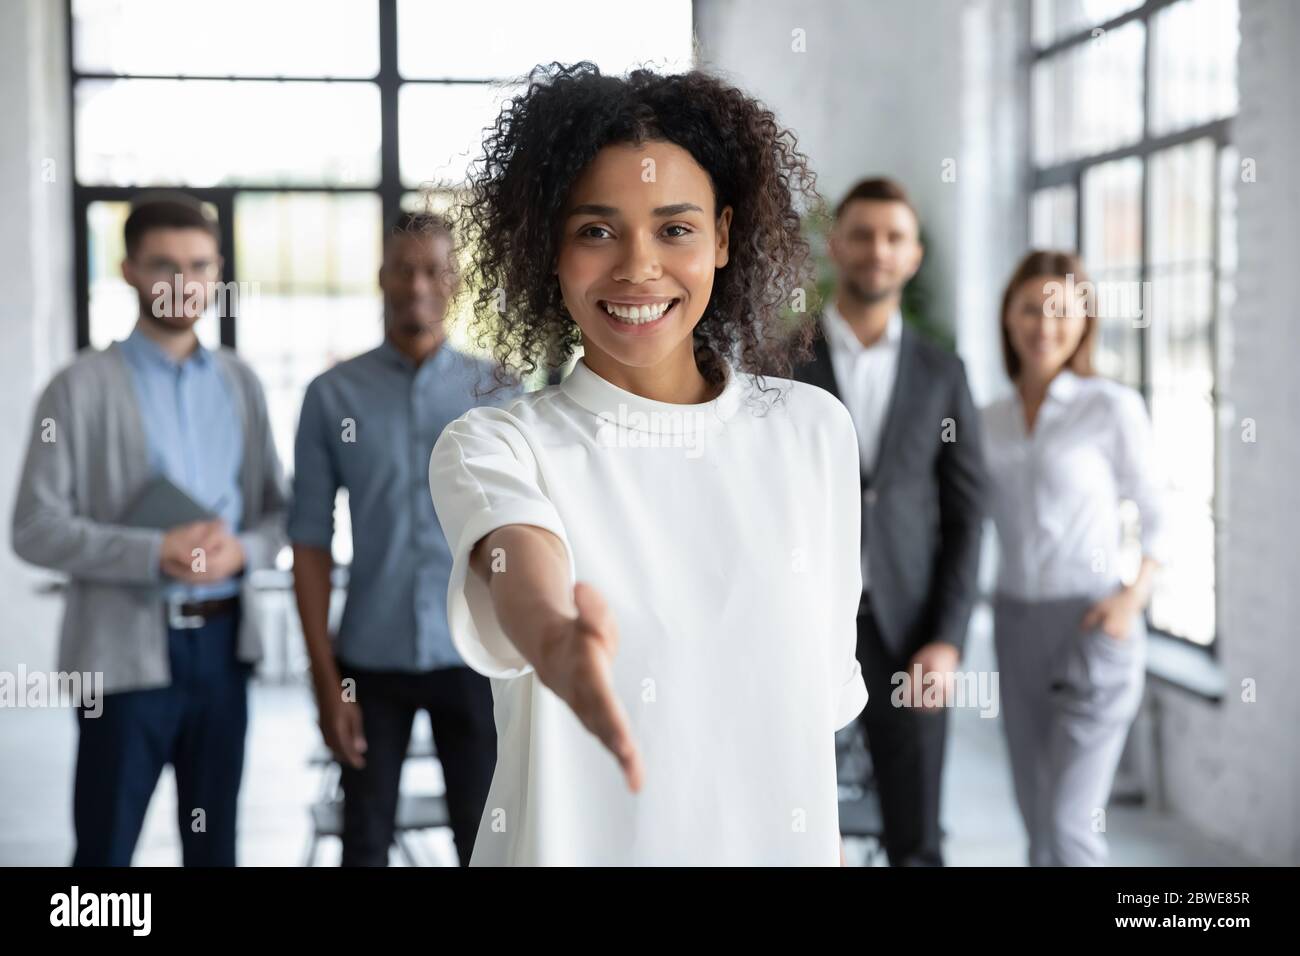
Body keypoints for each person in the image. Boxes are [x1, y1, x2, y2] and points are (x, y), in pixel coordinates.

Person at [426, 62, 866, 865]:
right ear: (549, 249)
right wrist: (554, 637)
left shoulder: (814, 433)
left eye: (675, 228)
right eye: (596, 230)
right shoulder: (499, 446)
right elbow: (519, 560)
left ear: (725, 237)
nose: (637, 267)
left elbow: (808, 731)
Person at [11, 193, 287, 866]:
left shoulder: (240, 384)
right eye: (164, 265)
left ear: (217, 272)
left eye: (198, 266)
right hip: (123, 658)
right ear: (129, 269)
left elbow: (278, 517)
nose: (182, 284)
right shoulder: (77, 388)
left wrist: (240, 553)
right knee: (105, 854)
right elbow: (33, 528)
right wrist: (152, 552)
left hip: (223, 650)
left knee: (213, 849)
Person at [289, 212, 511, 866]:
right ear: (382, 278)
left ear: (455, 280)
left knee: (487, 837)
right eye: (404, 268)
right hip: (369, 660)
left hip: (473, 655)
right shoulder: (332, 396)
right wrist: (327, 684)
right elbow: (308, 540)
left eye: (434, 269)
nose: (418, 284)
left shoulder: (496, 392)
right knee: (364, 842)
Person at [790, 177, 987, 866]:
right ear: (836, 246)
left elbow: (968, 515)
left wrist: (949, 640)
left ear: (914, 256)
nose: (878, 249)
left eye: (894, 237)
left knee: (917, 836)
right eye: (864, 234)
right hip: (805, 629)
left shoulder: (944, 373)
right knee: (795, 824)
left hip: (912, 635)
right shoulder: (782, 364)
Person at [981, 250, 1168, 866]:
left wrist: (1129, 600)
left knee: (1069, 825)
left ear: (1085, 320)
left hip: (1094, 623)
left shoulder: (1110, 407)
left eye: (1062, 310)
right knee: (1037, 823)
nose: (1045, 324)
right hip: (1015, 625)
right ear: (1008, 317)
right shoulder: (987, 421)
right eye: (1031, 307)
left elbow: (1160, 515)